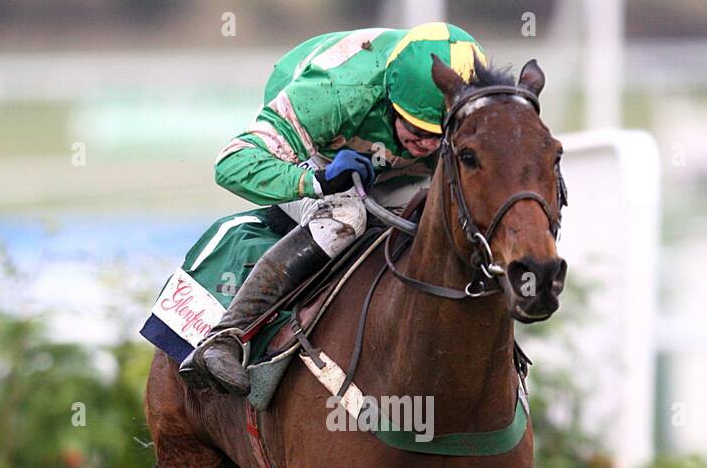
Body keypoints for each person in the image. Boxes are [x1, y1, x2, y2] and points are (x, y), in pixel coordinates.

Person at [178, 22, 487, 395]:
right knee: (346, 217)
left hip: (388, 167)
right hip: (315, 157)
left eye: (442, 134)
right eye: (418, 131)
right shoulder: (336, 92)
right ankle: (227, 336)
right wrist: (319, 182)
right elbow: (231, 164)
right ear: (389, 99)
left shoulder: (476, 107)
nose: (428, 144)